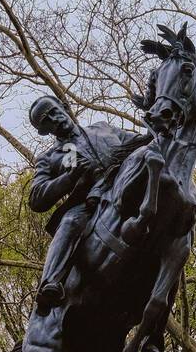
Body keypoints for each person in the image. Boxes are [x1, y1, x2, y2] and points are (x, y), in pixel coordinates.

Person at [28, 95, 147, 311]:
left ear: (64, 106)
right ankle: (50, 283)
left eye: (54, 111)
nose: (55, 119)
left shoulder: (102, 128)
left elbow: (141, 142)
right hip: (89, 206)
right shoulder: (50, 158)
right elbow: (36, 198)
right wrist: (69, 178)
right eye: (47, 121)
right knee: (69, 222)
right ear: (45, 131)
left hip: (124, 188)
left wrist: (153, 116)